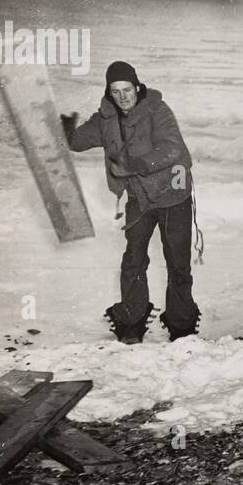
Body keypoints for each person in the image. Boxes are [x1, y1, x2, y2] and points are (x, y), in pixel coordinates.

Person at [65, 60, 200, 343]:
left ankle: (182, 323)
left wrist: (134, 163)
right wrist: (65, 128)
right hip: (140, 198)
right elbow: (79, 142)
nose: (123, 97)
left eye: (127, 89)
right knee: (133, 260)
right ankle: (133, 316)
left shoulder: (157, 110)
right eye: (115, 91)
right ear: (109, 93)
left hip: (173, 195)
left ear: (137, 88)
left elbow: (173, 148)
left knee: (177, 263)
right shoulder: (105, 119)